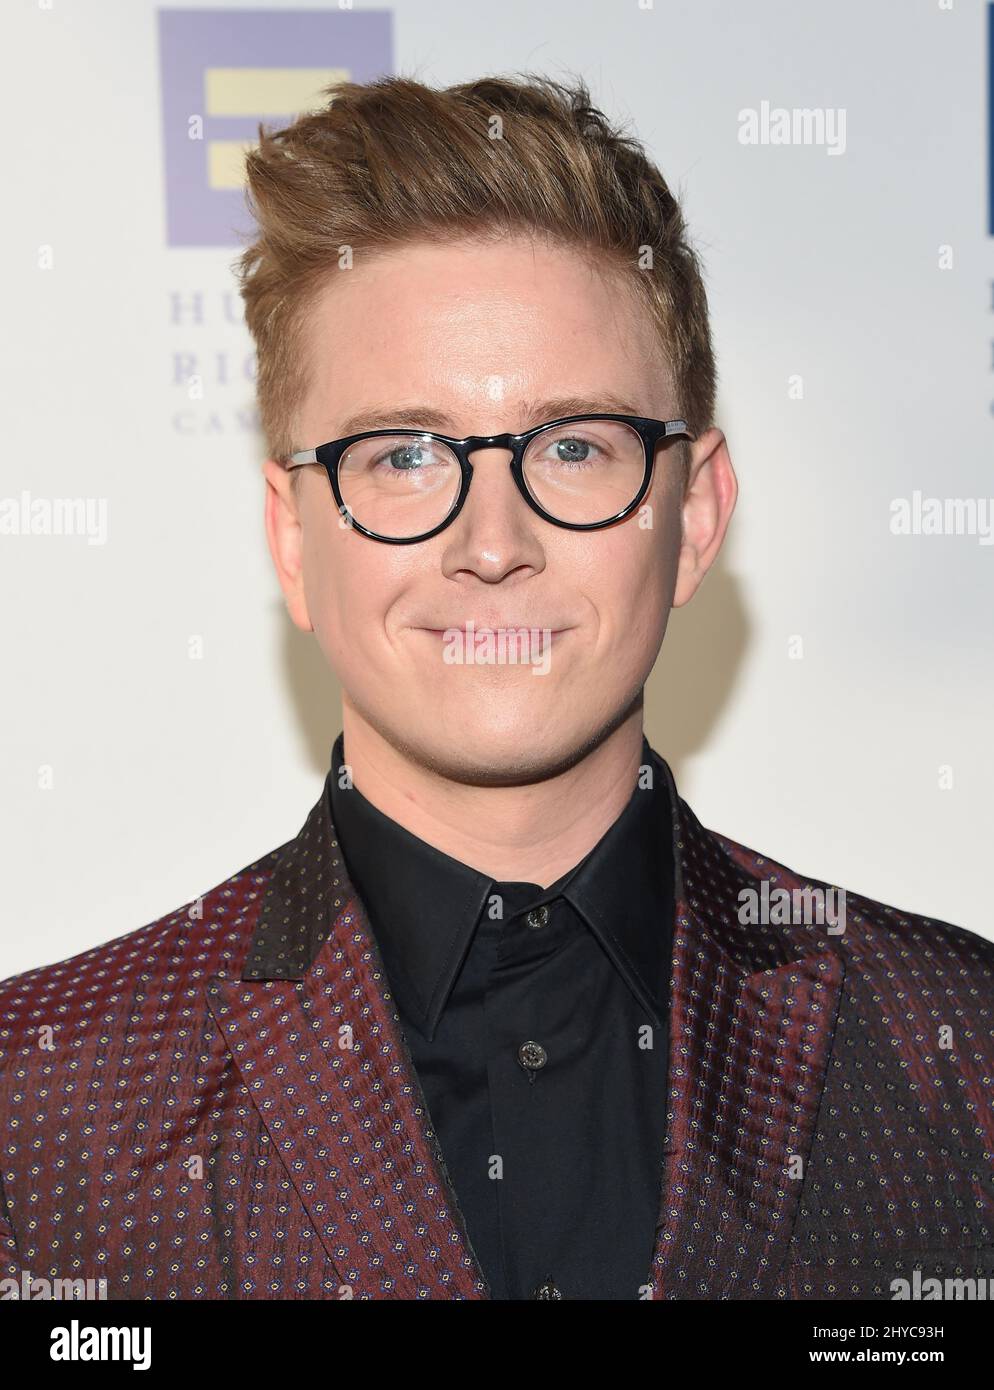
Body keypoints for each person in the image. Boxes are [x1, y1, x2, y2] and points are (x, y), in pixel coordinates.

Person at [2, 73, 992, 1303]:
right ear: (292, 540)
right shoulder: (40, 1106)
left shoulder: (958, 1047)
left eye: (573, 445)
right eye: (404, 455)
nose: (491, 539)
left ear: (695, 517)